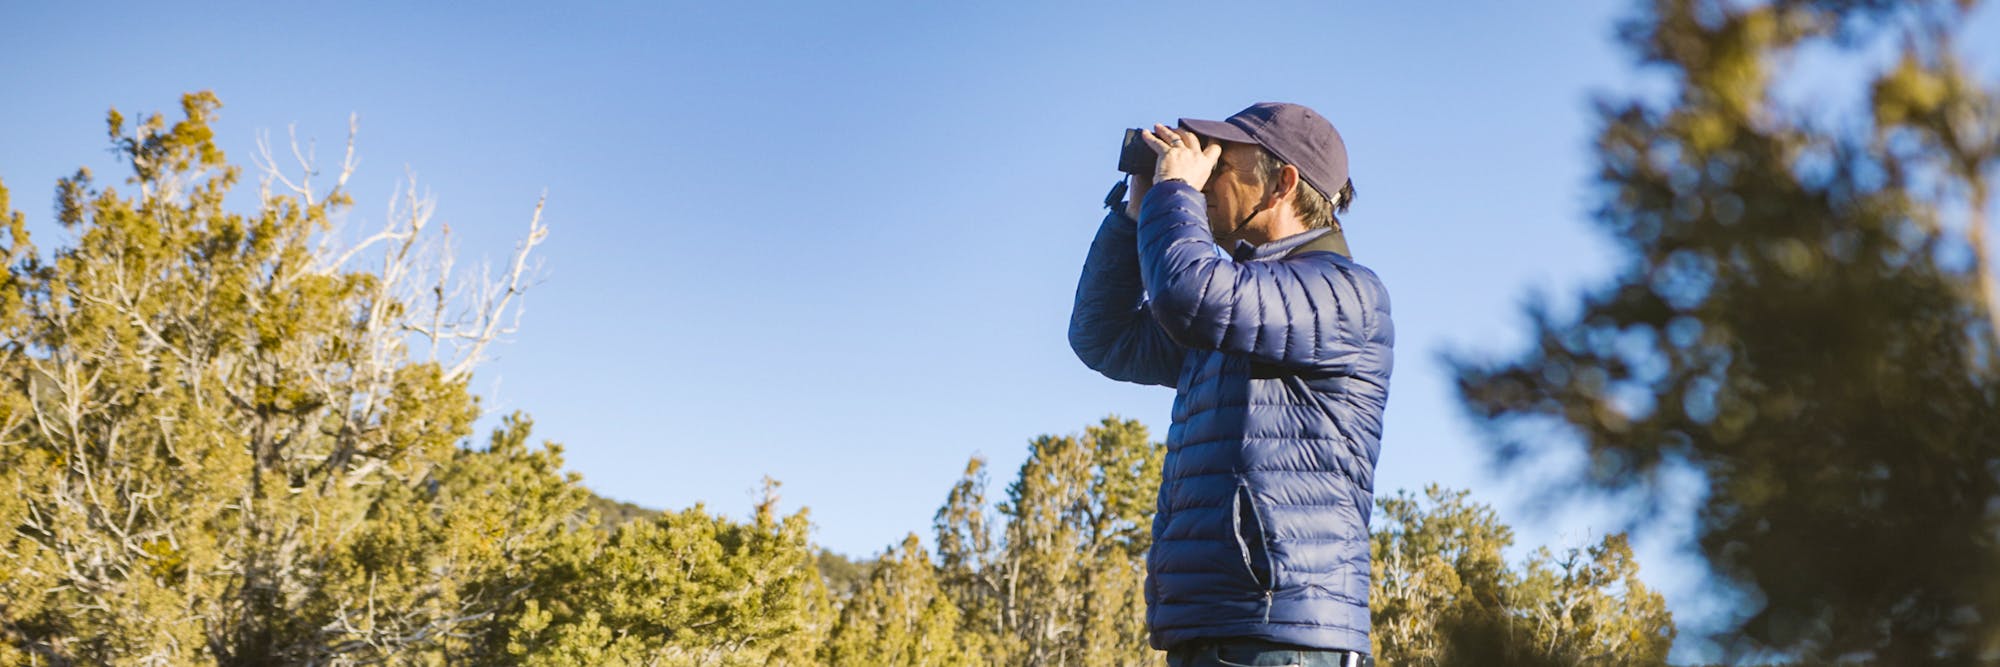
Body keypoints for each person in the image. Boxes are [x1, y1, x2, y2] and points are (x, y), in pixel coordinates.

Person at [1069, 102, 1394, 667]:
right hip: (1211, 624)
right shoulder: (1238, 305)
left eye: (1221, 163)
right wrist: (1133, 213)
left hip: (1285, 634)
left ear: (1283, 184)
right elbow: (1105, 336)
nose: (1205, 178)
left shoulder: (1344, 293)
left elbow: (1190, 295)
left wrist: (1174, 195)